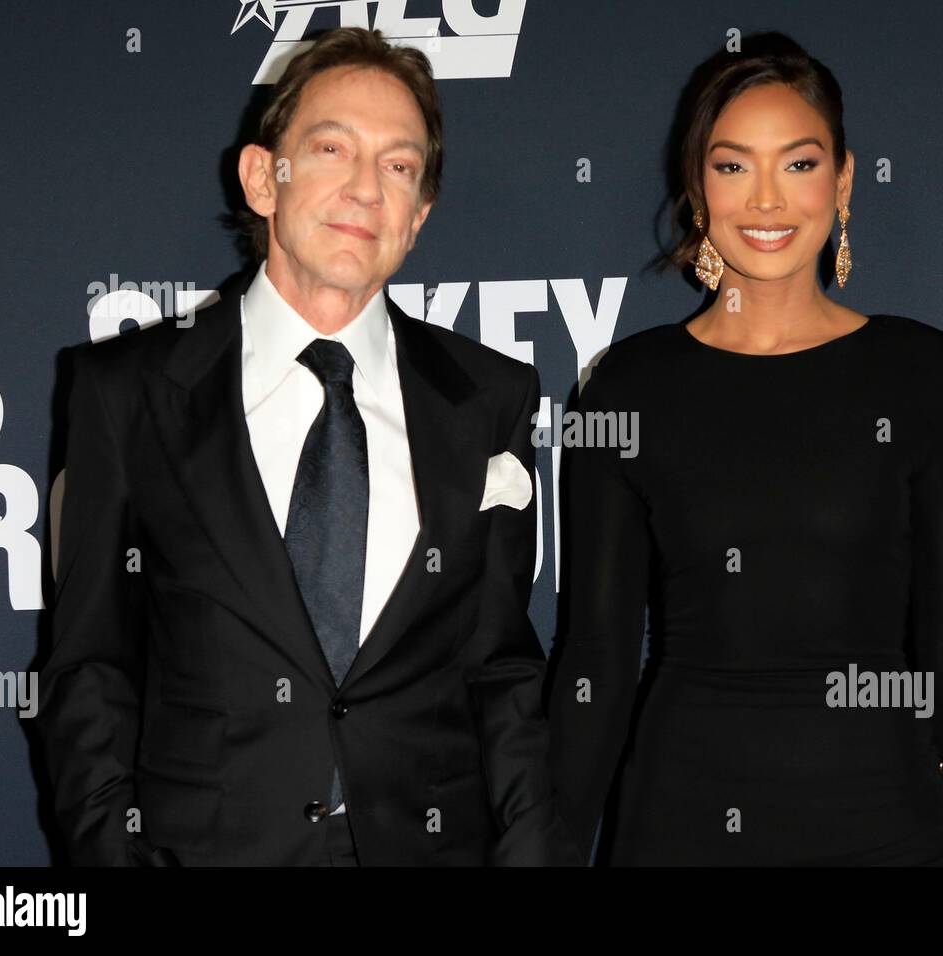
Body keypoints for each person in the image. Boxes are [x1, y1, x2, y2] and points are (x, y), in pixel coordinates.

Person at [38, 27, 579, 866]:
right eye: (332, 148)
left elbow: (500, 672)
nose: (367, 188)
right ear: (264, 178)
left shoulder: (490, 399)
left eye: (399, 166)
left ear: (420, 215)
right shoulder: (125, 392)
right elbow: (91, 671)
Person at [548, 33, 943, 866]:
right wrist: (546, 851)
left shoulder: (921, 370)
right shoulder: (622, 386)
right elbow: (595, 654)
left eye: (798, 165)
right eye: (732, 167)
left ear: (842, 181)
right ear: (697, 189)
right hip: (678, 826)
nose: (766, 200)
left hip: (884, 823)